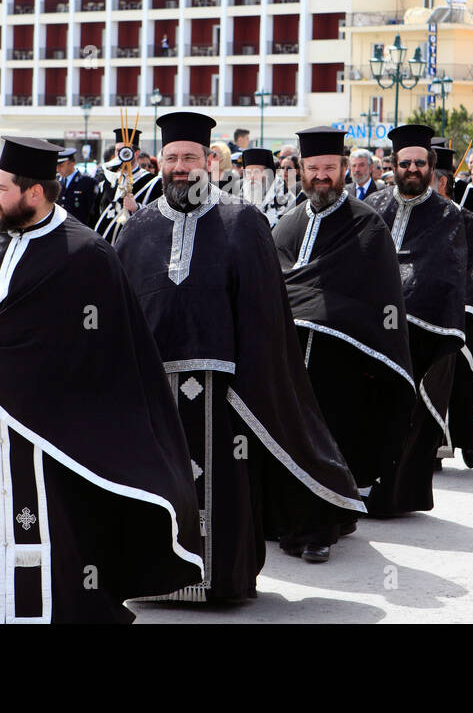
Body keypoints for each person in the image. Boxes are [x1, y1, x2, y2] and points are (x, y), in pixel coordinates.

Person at [0, 136, 203, 622]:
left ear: (34, 193)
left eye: (1, 187)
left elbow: (112, 354)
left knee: (58, 535)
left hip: (53, 439)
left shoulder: (86, 254)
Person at [115, 112, 363, 595]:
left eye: (190, 157)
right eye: (171, 158)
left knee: (224, 488)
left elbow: (265, 313)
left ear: (208, 160)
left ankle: (222, 582)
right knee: (160, 485)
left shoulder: (241, 220)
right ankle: (159, 581)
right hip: (156, 390)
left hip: (226, 393)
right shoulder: (137, 228)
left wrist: (254, 381)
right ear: (159, 162)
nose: (180, 167)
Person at [271, 126, 415, 556]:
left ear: (343, 170)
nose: (320, 176)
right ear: (301, 170)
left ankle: (320, 530)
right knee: (285, 437)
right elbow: (274, 283)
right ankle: (286, 520)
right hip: (290, 354)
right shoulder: (289, 221)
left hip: (342, 360)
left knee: (328, 439)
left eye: (329, 169)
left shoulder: (366, 224)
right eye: (312, 168)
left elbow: (380, 296)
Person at [365, 124, 473, 507]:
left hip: (421, 333)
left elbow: (446, 276)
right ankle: (360, 487)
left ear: (431, 167)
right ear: (393, 165)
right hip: (370, 331)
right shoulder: (373, 207)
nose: (411, 168)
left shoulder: (450, 217)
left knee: (410, 415)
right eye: (404, 162)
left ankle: (396, 495)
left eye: (419, 162)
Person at [93, 128, 162, 244]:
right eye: (117, 151)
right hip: (104, 248)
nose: (120, 155)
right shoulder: (108, 181)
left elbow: (159, 218)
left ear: (136, 154)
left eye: (125, 151)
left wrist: (137, 208)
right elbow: (96, 214)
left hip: (134, 247)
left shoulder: (154, 182)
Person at [238, 147, 291, 227]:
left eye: (256, 172)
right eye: (248, 173)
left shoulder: (286, 198)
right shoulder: (240, 196)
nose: (252, 177)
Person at [56, 147, 98, 227]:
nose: (58, 169)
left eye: (61, 165)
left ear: (72, 164)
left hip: (79, 229)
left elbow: (92, 212)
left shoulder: (87, 182)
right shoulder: (56, 181)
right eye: (57, 166)